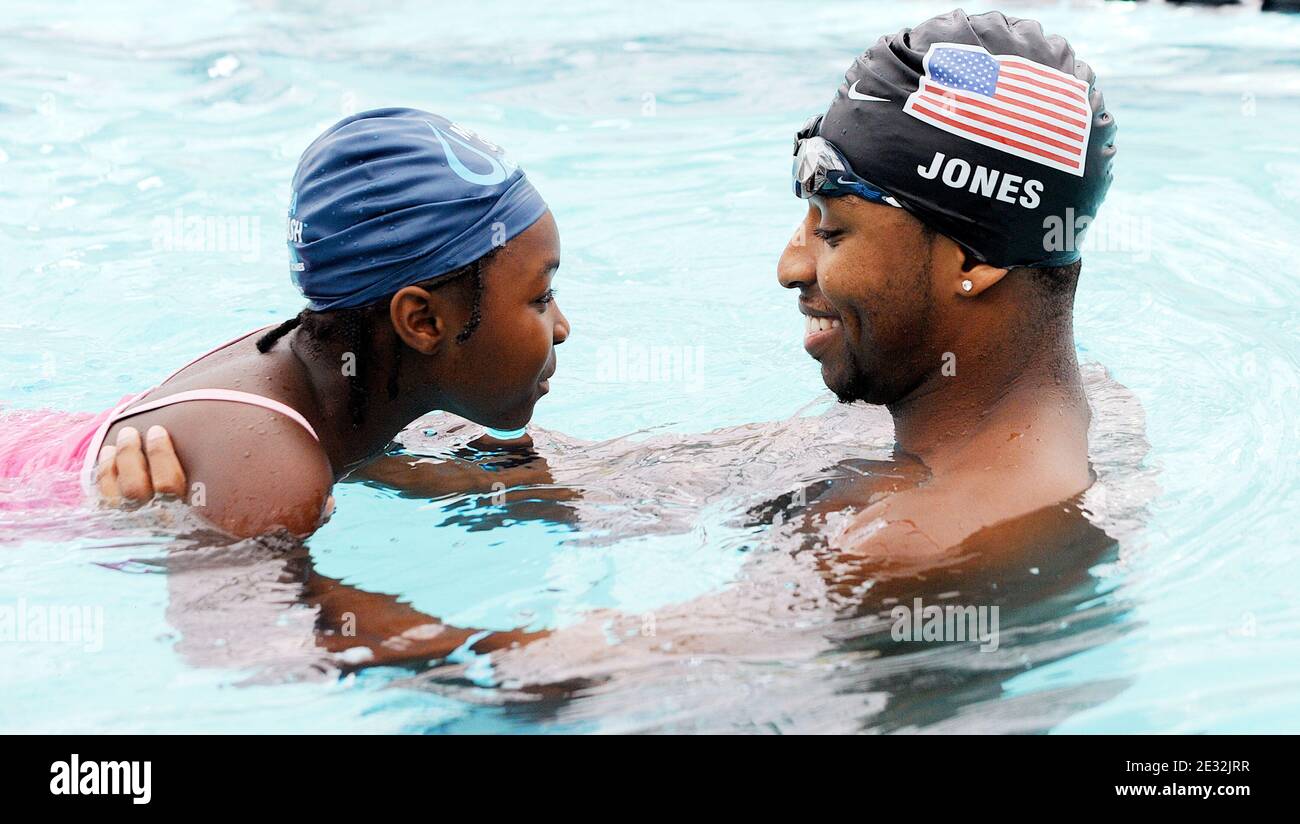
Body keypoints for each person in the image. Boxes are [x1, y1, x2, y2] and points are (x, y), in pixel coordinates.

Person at [89, 10, 1129, 672]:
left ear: (975, 258)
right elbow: (635, 489)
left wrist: (226, 561)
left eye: (834, 225)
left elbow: (562, 683)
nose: (791, 266)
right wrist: (355, 430)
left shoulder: (913, 539)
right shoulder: (1076, 425)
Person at [5, 108, 570, 537]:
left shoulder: (327, 385)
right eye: (541, 297)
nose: (562, 327)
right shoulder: (270, 470)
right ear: (421, 321)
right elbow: (255, 653)